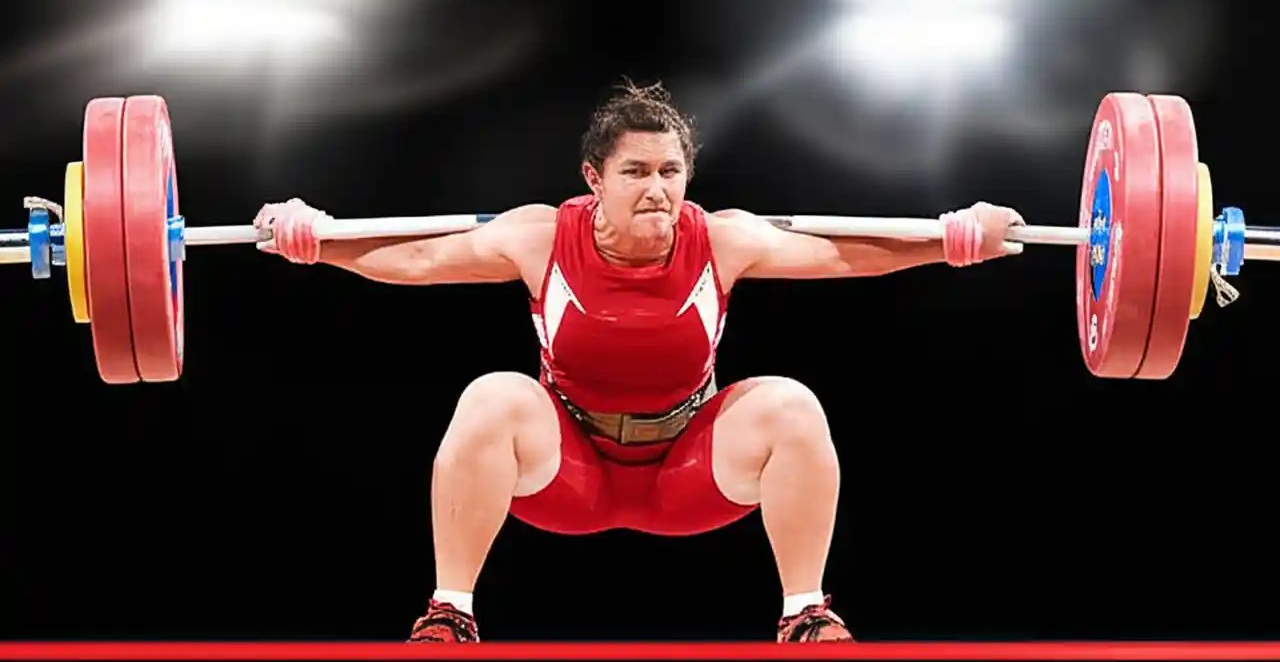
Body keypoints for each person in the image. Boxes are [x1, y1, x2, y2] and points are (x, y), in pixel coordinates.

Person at [252, 80, 1025, 643]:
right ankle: (449, 613)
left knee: (790, 403)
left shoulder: (723, 238)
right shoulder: (539, 236)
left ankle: (805, 615)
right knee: (492, 395)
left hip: (688, 473)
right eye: (635, 172)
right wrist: (315, 240)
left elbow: (841, 254)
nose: (656, 189)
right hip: (570, 472)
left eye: (669, 172)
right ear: (594, 179)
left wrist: (954, 240)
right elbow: (419, 259)